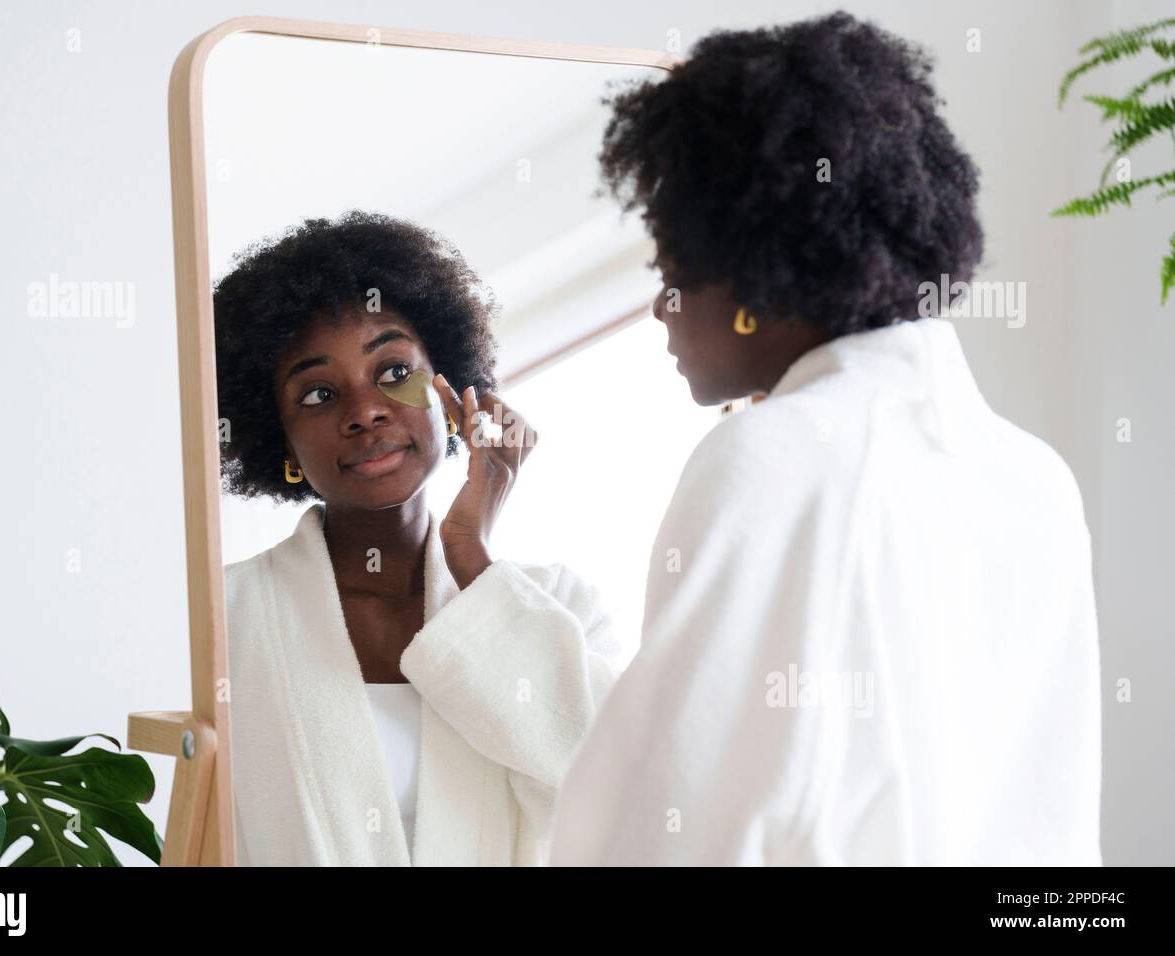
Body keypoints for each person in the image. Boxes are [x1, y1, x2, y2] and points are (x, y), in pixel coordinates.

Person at [547, 12, 1101, 865]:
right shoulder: (1036, 478)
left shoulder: (772, 458)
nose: (662, 308)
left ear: (758, 271)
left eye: (671, 272)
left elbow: (675, 812)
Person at [214, 211, 622, 865]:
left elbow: (618, 802)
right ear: (281, 441)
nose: (365, 411)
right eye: (319, 393)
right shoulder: (223, 619)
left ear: (453, 397)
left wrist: (470, 552)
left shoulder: (561, 607)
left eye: (394, 371)